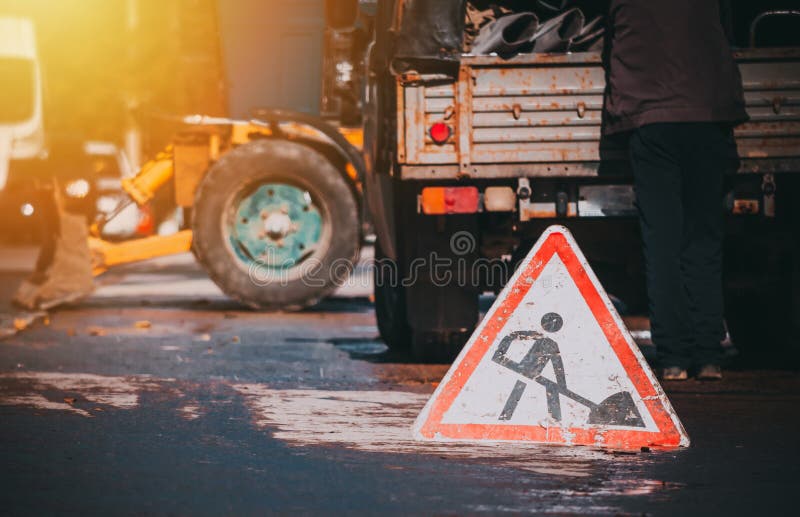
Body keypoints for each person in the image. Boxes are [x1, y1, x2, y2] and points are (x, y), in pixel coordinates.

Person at [603, 0, 748, 380]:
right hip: (706, 115)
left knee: (662, 243)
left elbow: (611, 43)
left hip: (651, 120)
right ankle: (709, 356)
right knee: (703, 241)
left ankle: (673, 360)